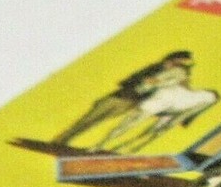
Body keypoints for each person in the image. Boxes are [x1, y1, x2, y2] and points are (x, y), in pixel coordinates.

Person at [53, 51, 194, 147]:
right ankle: (60, 139)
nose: (178, 66)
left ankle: (64, 140)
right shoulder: (153, 68)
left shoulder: (172, 78)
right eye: (178, 62)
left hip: (129, 103)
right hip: (118, 98)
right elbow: (129, 80)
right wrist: (145, 82)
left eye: (181, 65)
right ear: (171, 59)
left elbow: (176, 89)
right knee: (87, 119)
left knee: (95, 122)